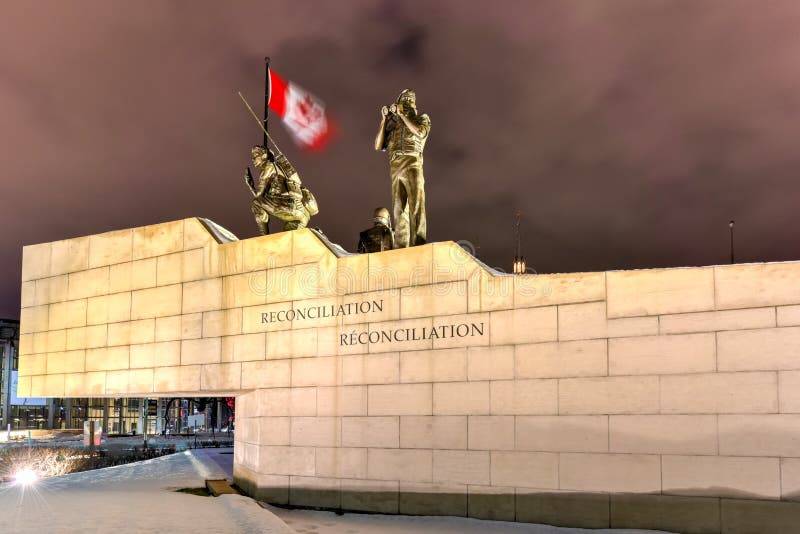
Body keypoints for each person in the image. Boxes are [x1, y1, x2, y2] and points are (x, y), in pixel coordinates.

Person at [374, 89, 430, 247]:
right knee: (399, 210)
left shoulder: (421, 119)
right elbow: (378, 145)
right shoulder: (394, 128)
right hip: (396, 167)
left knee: (416, 205)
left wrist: (402, 115)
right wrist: (384, 120)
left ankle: (419, 243)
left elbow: (419, 132)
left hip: (412, 162)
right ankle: (401, 246)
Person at [245, 145, 318, 233]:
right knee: (285, 240)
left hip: (291, 207)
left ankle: (263, 236)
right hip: (303, 215)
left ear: (264, 156)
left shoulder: (268, 167)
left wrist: (250, 185)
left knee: (256, 203)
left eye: (255, 157)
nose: (253, 160)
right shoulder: (277, 168)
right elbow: (263, 198)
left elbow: (259, 196)